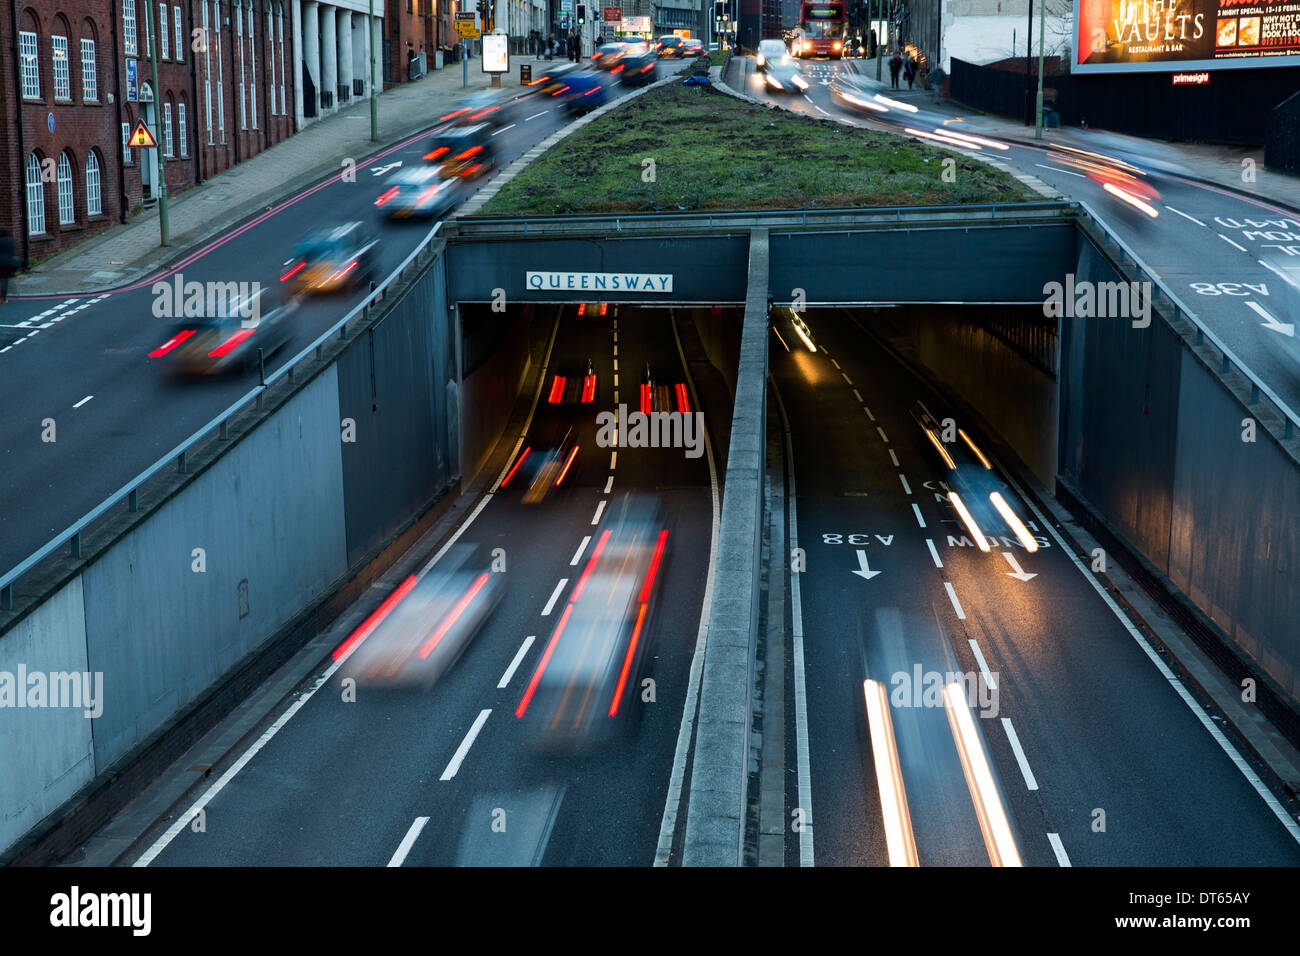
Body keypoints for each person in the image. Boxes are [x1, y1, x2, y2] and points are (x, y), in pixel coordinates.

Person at [0, 228, 15, 303]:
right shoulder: (10, 240)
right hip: (7, 263)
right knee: (4, 281)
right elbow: (12, 252)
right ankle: (3, 298)